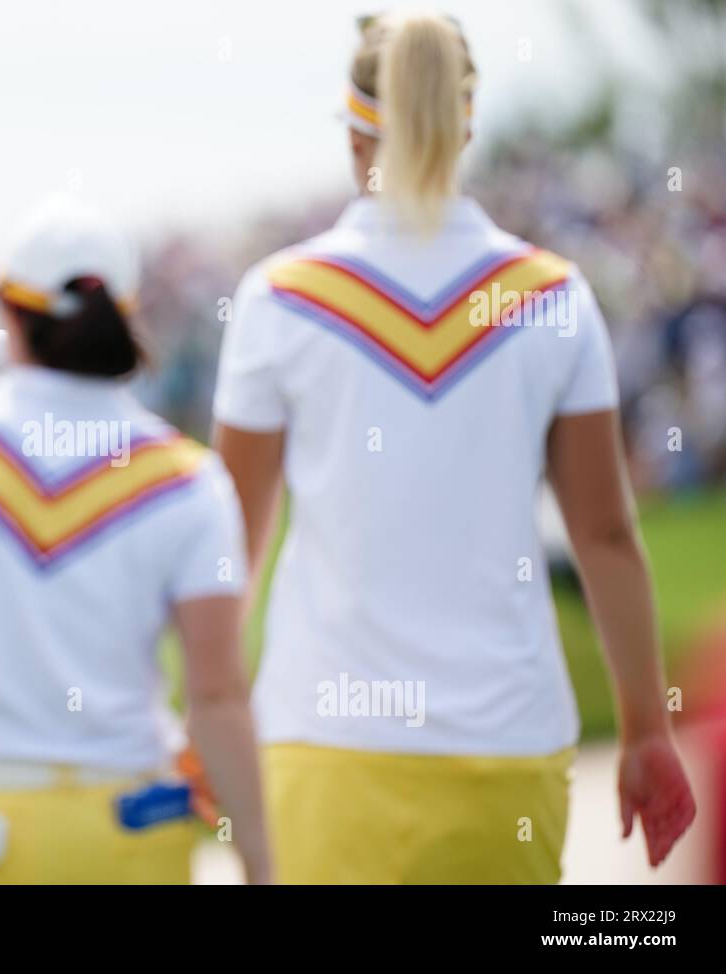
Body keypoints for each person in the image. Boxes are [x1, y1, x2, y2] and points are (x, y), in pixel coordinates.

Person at [211, 11, 697, 883]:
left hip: (323, 744)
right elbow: (605, 535)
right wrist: (647, 731)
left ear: (355, 132)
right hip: (506, 748)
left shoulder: (279, 298)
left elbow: (230, 544)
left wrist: (203, 712)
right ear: (464, 124)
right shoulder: (553, 294)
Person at [0, 197, 271, 884]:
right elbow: (218, 697)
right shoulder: (188, 478)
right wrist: (259, 864)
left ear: (7, 310)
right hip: (127, 831)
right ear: (125, 314)